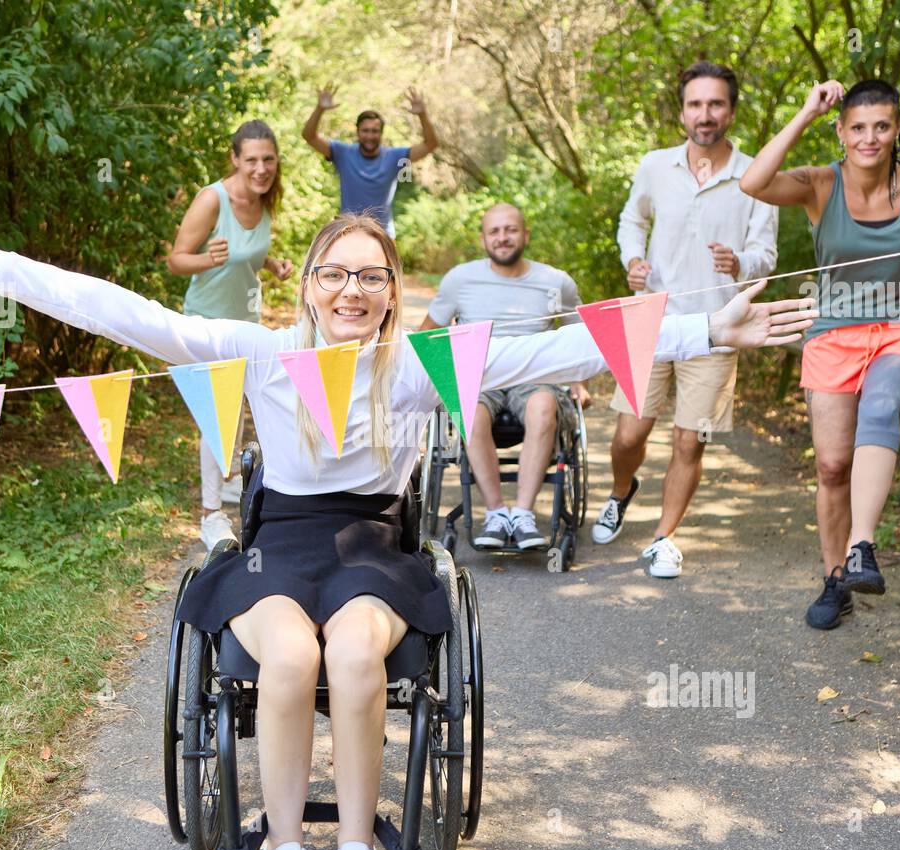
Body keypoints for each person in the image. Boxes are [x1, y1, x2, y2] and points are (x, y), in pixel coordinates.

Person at [0, 209, 816, 850]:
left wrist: (705, 330)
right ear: (310, 287)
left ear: (394, 291)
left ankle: (356, 844)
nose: (353, 290)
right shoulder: (267, 354)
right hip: (278, 543)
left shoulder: (416, 365)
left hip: (379, 548)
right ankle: (283, 845)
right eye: (336, 273)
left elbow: (561, 347)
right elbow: (133, 313)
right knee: (286, 658)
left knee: (356, 655)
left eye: (372, 275)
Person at [740, 77, 900, 630]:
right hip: (832, 331)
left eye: (882, 126)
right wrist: (806, 111)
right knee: (833, 466)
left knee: (880, 407)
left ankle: (863, 547)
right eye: (858, 127)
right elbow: (752, 182)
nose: (870, 137)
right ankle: (837, 580)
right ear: (841, 131)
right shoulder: (819, 185)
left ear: (897, 128)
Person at [594, 61, 780, 579]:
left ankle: (663, 539)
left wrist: (742, 263)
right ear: (682, 112)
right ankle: (620, 490)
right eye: (696, 104)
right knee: (629, 435)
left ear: (732, 111)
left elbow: (767, 251)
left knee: (688, 439)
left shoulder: (756, 175)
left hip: (717, 329)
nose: (705, 114)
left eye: (715, 104)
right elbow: (632, 220)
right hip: (651, 321)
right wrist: (633, 259)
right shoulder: (656, 166)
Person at [420, 203, 589, 550]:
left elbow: (581, 337)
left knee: (544, 405)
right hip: (478, 377)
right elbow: (427, 336)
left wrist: (579, 382)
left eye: (510, 229)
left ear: (525, 234)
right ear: (483, 239)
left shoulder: (555, 282)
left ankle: (523, 515)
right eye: (494, 231)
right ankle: (496, 513)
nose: (503, 238)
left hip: (536, 376)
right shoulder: (460, 279)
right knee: (466, 406)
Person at [167, 120, 293, 550]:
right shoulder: (211, 200)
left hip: (245, 324)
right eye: (252, 160)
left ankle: (225, 486)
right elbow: (176, 261)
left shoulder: (264, 201)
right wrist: (206, 260)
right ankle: (209, 515)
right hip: (203, 323)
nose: (261, 168)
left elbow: (247, 253)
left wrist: (271, 265)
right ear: (235, 159)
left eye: (269, 160)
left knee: (239, 411)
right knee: (217, 417)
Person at [302, 86, 439, 238]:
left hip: (382, 236)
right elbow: (309, 136)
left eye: (375, 131)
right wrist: (319, 109)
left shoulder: (396, 157)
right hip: (348, 234)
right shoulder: (342, 153)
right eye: (365, 130)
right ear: (357, 131)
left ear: (381, 133)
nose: (370, 135)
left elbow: (430, 144)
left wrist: (423, 114)